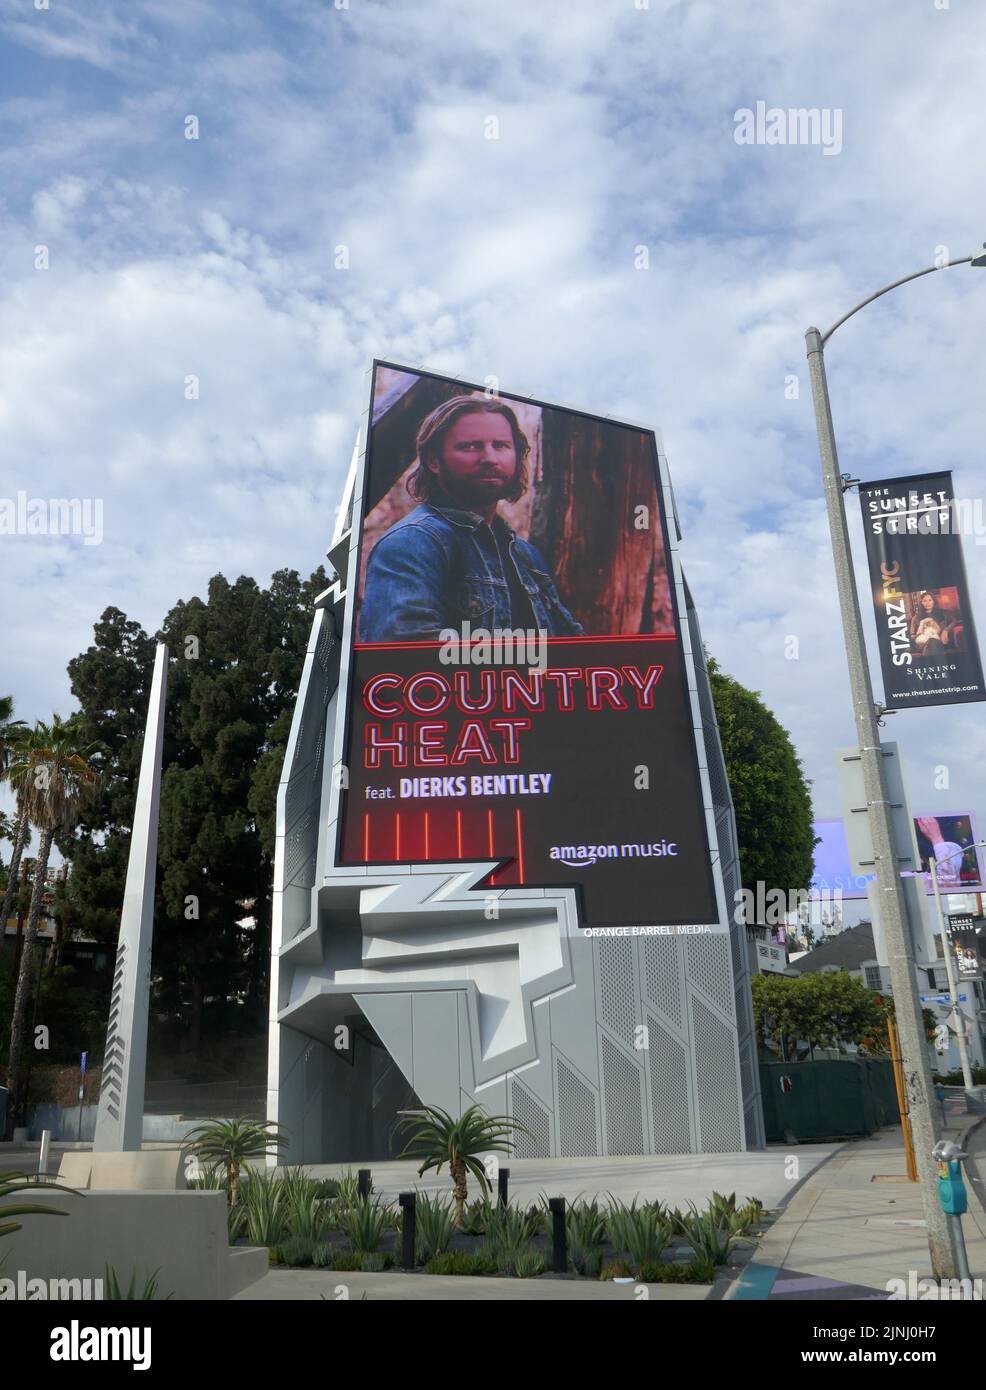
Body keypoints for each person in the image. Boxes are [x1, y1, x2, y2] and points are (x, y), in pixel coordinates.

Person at [358, 395, 583, 642]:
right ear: (434, 461)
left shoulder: (525, 555)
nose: (490, 458)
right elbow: (402, 659)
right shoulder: (411, 544)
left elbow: (570, 649)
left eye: (501, 445)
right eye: (470, 446)